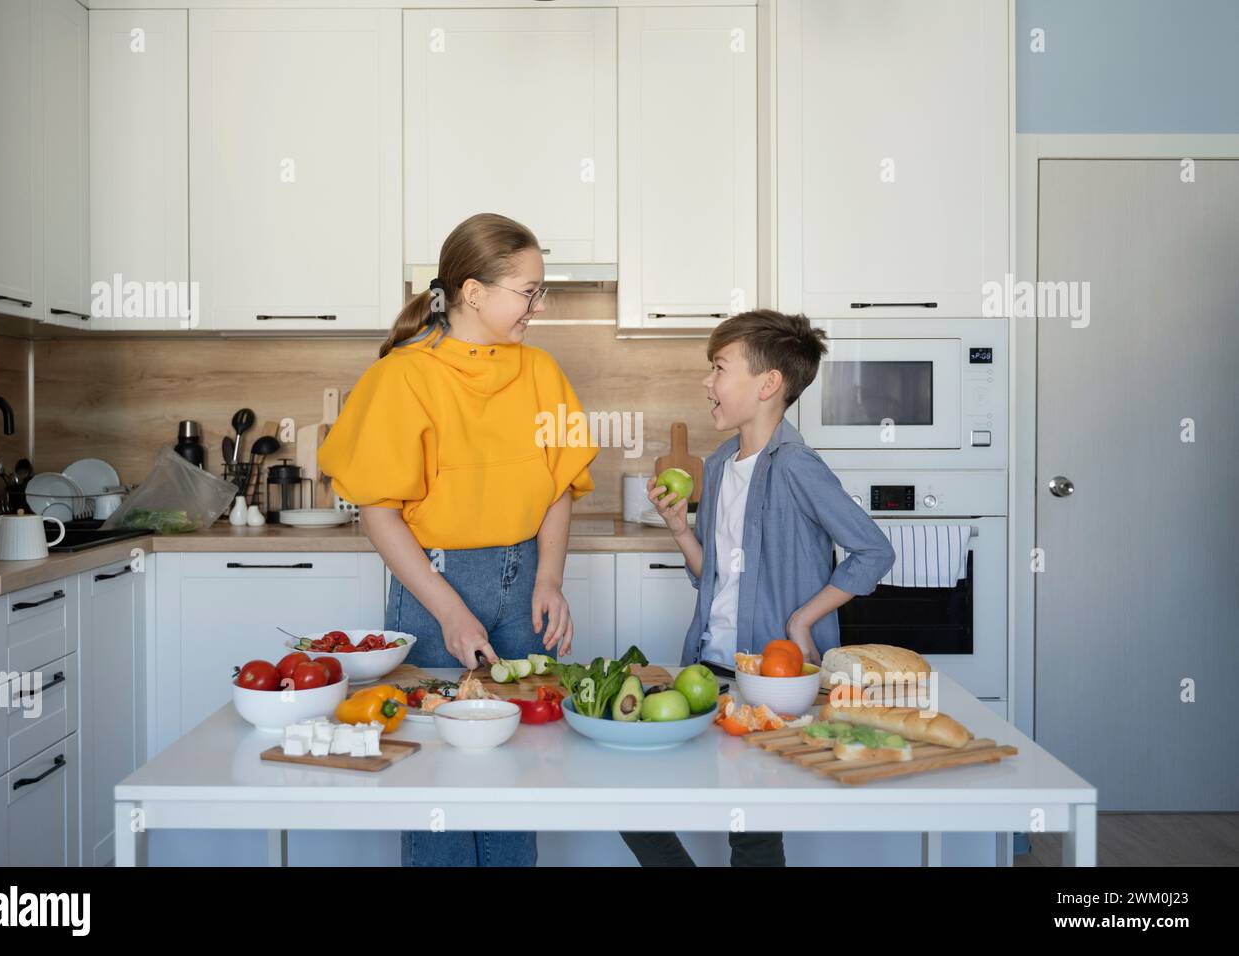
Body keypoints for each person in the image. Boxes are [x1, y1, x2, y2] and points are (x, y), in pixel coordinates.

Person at [318, 213, 597, 867]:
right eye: (528, 290)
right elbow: (378, 513)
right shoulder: (402, 377)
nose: (538, 304)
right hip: (431, 592)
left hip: (524, 583)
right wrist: (448, 609)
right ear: (473, 291)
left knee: (517, 772)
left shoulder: (540, 373)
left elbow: (558, 485)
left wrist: (549, 578)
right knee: (436, 776)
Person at [621, 309, 895, 867]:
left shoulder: (796, 466)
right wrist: (679, 528)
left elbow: (874, 551)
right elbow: (714, 579)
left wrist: (801, 622)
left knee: (751, 829)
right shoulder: (720, 463)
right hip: (704, 670)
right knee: (634, 802)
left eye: (719, 368)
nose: (707, 383)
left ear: (768, 384)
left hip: (772, 681)